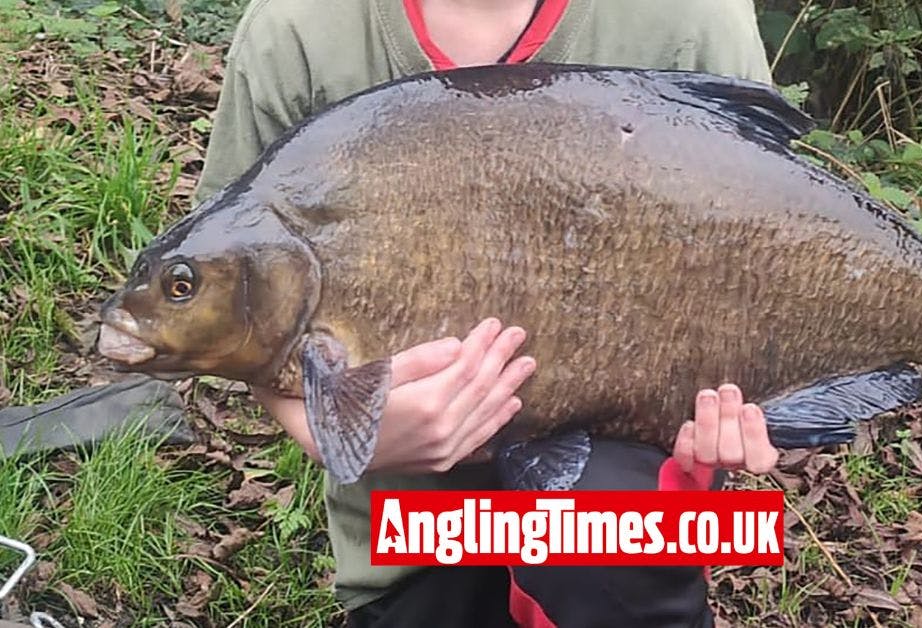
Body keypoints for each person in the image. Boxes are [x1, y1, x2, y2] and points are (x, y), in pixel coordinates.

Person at [195, 1, 780, 625]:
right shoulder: (297, 29)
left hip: (629, 484)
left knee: (606, 528)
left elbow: (775, 229)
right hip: (413, 526)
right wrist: (322, 431)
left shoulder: (693, 18)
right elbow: (243, 298)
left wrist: (758, 408)